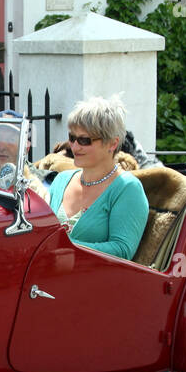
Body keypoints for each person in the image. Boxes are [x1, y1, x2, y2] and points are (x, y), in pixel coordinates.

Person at [48, 96, 148, 260]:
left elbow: (122, 250)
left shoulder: (128, 188)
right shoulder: (61, 180)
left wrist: (65, 248)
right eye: (72, 138)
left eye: (84, 140)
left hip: (97, 282)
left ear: (112, 144)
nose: (74, 146)